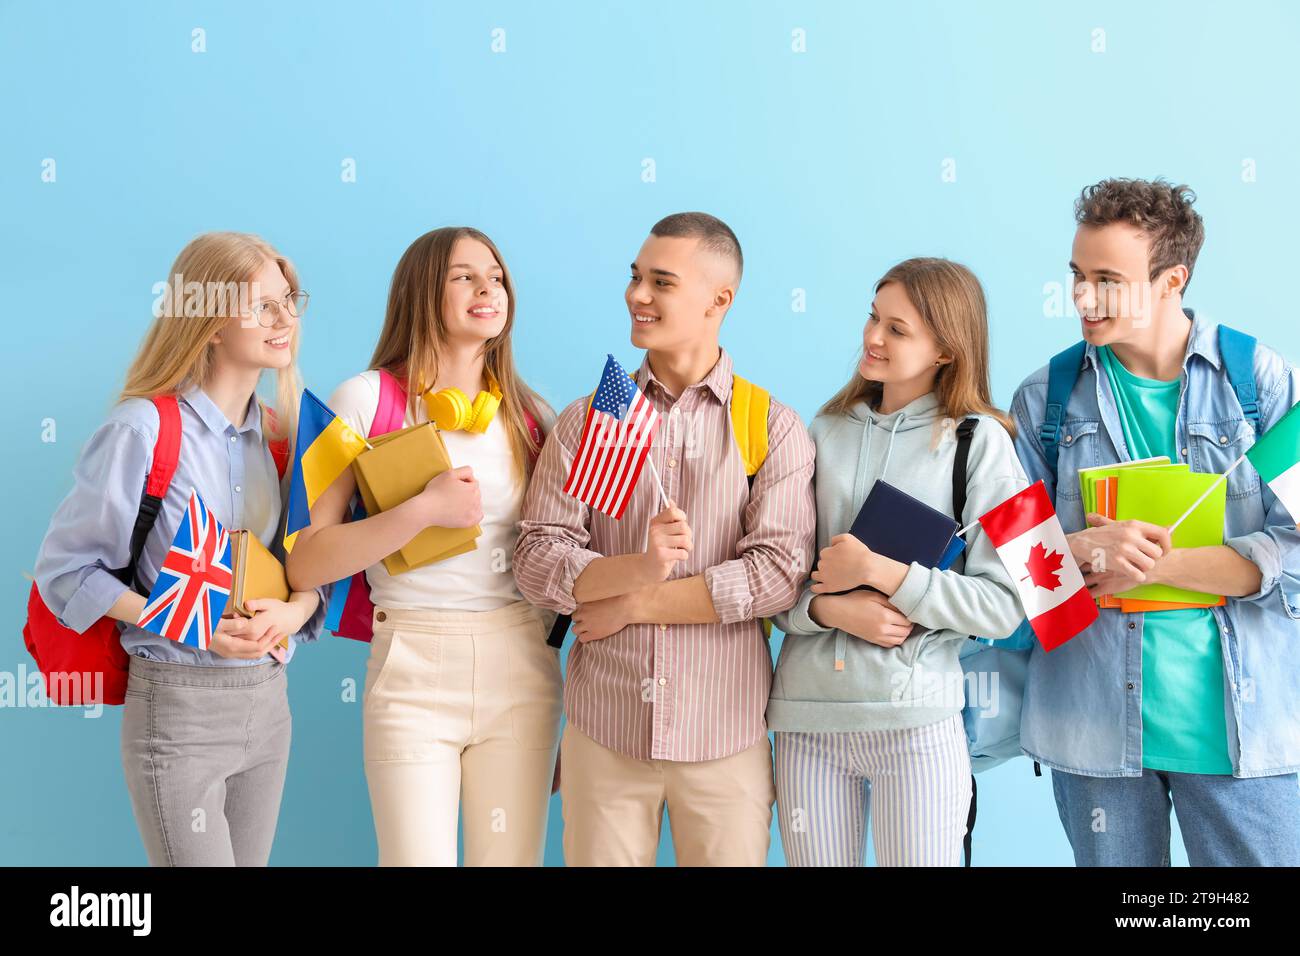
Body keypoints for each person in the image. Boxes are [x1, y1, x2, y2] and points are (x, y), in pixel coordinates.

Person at [1010, 178, 1300, 866]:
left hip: (1243, 733)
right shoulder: (1043, 400)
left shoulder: (1259, 382)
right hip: (1093, 737)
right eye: (1077, 276)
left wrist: (1161, 567)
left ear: (1173, 279)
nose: (1082, 298)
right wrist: (1075, 549)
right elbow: (1008, 576)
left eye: (1107, 280)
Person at [513, 211, 817, 866]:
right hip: (606, 731)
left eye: (661, 281)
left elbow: (776, 574)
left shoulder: (770, 426)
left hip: (725, 739)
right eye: (634, 277)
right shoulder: (597, 416)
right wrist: (636, 569)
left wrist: (638, 602)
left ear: (718, 300)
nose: (637, 295)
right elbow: (537, 555)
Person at [34, 231, 325, 866]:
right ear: (212, 322)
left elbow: (306, 569)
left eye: (289, 300)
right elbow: (65, 570)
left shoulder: (277, 436)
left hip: (269, 707)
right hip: (179, 710)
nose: (285, 320)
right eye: (262, 305)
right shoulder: (142, 428)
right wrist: (186, 620)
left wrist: (295, 614)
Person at [285, 227, 561, 866]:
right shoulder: (363, 399)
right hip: (410, 661)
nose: (488, 287)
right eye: (464, 276)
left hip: (520, 663)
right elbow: (306, 558)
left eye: (495, 274)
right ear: (421, 291)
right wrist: (423, 511)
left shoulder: (531, 417)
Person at [768, 257, 1027, 866]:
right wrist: (829, 610)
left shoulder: (982, 442)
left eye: (898, 329)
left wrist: (887, 576)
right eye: (873, 317)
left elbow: (1010, 605)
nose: (873, 338)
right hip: (807, 724)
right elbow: (774, 581)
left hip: (917, 725)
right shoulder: (819, 431)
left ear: (945, 349)